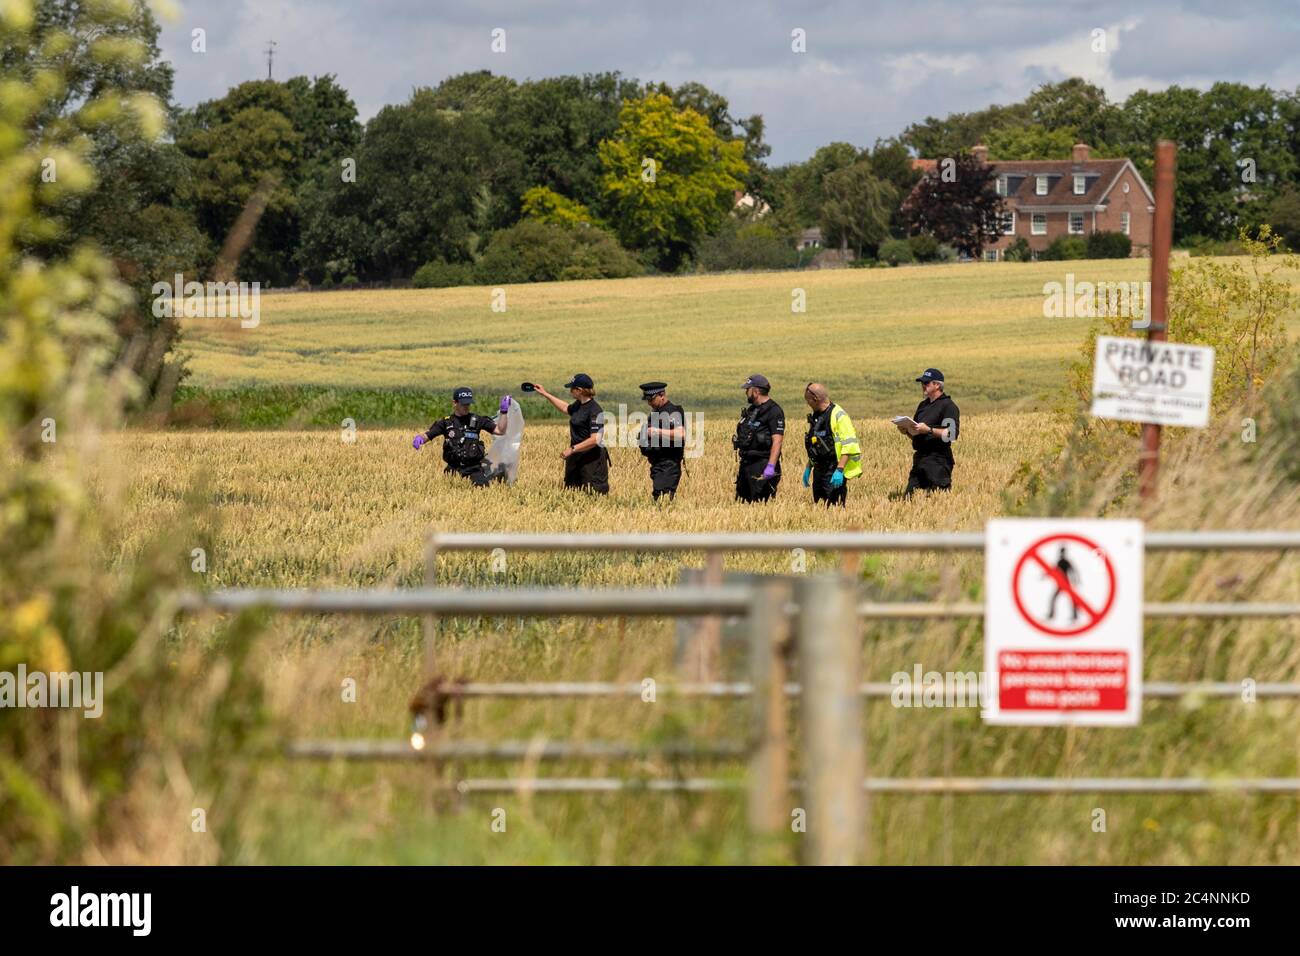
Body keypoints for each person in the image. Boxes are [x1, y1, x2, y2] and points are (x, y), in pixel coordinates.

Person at [528, 373, 610, 495]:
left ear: (579, 390)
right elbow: (565, 408)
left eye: (572, 388)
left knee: (590, 494)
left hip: (591, 460)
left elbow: (595, 439)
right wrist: (545, 394)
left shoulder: (595, 410)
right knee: (572, 493)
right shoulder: (578, 404)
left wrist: (572, 449)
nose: (570, 391)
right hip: (576, 457)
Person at [412, 386, 511, 486]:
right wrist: (420, 439)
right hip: (453, 470)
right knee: (446, 489)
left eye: (468, 403)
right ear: (455, 403)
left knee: (483, 489)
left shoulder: (477, 420)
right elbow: (428, 435)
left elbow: (500, 430)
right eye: (463, 403)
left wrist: (504, 412)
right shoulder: (446, 422)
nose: (466, 406)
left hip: (474, 469)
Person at [896, 368, 959, 496]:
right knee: (908, 499)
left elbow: (952, 434)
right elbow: (918, 434)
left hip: (938, 460)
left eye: (926, 383)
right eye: (922, 383)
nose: (923, 386)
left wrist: (929, 430)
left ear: (937, 385)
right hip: (920, 459)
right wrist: (907, 431)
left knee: (938, 499)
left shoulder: (948, 406)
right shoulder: (922, 406)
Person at [801, 383, 862, 507]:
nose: (808, 404)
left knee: (835, 510)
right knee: (819, 508)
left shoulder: (839, 415)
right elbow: (816, 444)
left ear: (816, 399)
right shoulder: (816, 416)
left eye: (808, 400)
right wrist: (809, 466)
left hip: (834, 470)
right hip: (818, 470)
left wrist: (839, 470)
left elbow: (849, 445)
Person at [733, 374, 784, 502]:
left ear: (755, 391)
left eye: (747, 389)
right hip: (746, 464)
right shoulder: (751, 410)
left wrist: (771, 466)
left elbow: (777, 441)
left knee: (760, 504)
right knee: (742, 505)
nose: (745, 392)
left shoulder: (774, 411)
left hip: (762, 464)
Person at [636, 381, 686, 500]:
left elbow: (681, 433)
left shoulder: (671, 411)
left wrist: (655, 431)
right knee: (659, 498)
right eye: (647, 400)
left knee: (662, 499)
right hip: (657, 464)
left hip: (669, 464)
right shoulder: (656, 413)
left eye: (651, 399)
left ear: (662, 395)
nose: (649, 403)